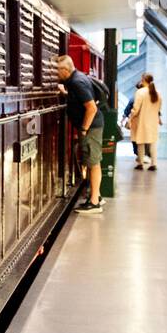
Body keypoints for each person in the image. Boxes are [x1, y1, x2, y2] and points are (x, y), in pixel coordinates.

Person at [55, 55, 106, 214]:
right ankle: (96, 195)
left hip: (91, 128)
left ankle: (94, 203)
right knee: (91, 161)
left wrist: (83, 129)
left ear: (65, 70)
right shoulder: (77, 79)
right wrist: (65, 94)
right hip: (92, 127)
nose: (56, 74)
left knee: (93, 162)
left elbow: (91, 108)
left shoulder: (77, 82)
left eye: (57, 71)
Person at [129, 72, 162, 170]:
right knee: (152, 143)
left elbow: (136, 108)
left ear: (143, 80)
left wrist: (130, 117)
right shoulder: (157, 93)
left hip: (141, 121)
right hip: (153, 122)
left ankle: (140, 163)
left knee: (140, 142)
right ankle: (154, 164)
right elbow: (159, 108)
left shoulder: (140, 92)